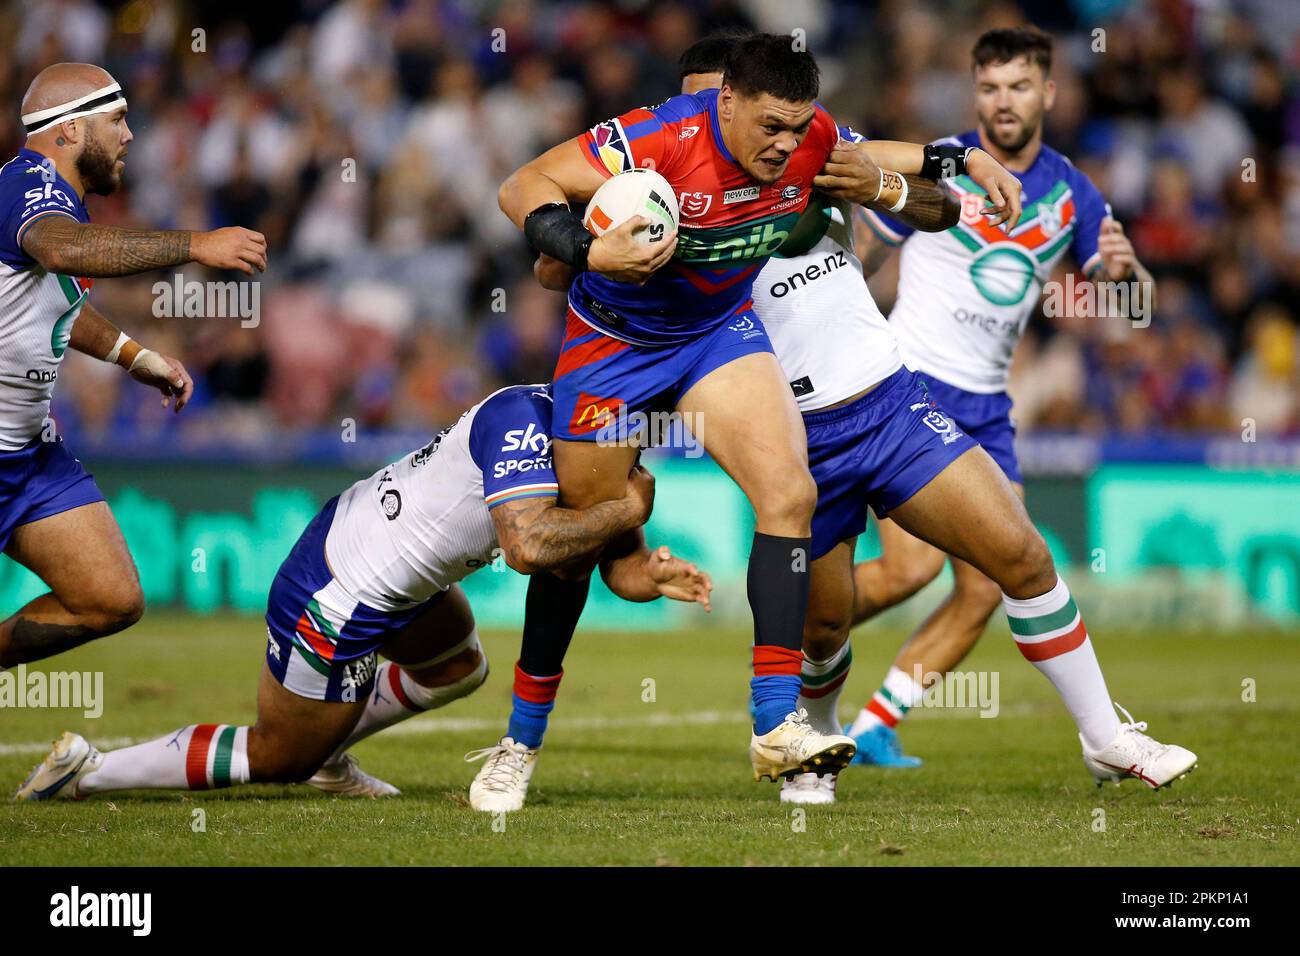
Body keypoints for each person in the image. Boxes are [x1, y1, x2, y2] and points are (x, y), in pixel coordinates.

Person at [494, 33, 1023, 793]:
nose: (784, 142)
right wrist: (583, 248)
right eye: (767, 124)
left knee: (789, 494)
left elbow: (882, 156)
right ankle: (520, 744)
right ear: (721, 102)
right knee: (577, 541)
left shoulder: (802, 141)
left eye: (793, 127)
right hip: (616, 349)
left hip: (716, 336)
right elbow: (525, 188)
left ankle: (776, 725)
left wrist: (965, 159)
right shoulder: (655, 138)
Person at [16, 384, 712, 801]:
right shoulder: (521, 421)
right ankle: (90, 770)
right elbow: (529, 548)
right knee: (277, 758)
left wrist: (651, 575)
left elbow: (616, 567)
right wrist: (627, 512)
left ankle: (331, 758)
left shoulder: (596, 448)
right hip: (341, 595)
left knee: (459, 668)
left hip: (388, 576)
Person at [844, 26, 1166, 775]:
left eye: (1019, 86)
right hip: (908, 387)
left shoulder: (1074, 192)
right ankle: (790, 642)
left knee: (990, 585)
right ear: (974, 94)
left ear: (1048, 93)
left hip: (988, 408)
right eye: (989, 87)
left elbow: (1139, 307)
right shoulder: (943, 168)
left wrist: (1126, 271)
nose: (1004, 101)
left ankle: (874, 726)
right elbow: (860, 257)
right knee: (908, 574)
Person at [0, 62, 267, 669]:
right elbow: (66, 251)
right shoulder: (28, 186)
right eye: (116, 120)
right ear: (68, 131)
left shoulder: (57, 203)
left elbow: (53, 306)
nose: (129, 135)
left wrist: (135, 355)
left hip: (28, 455)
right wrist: (197, 244)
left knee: (109, 599)